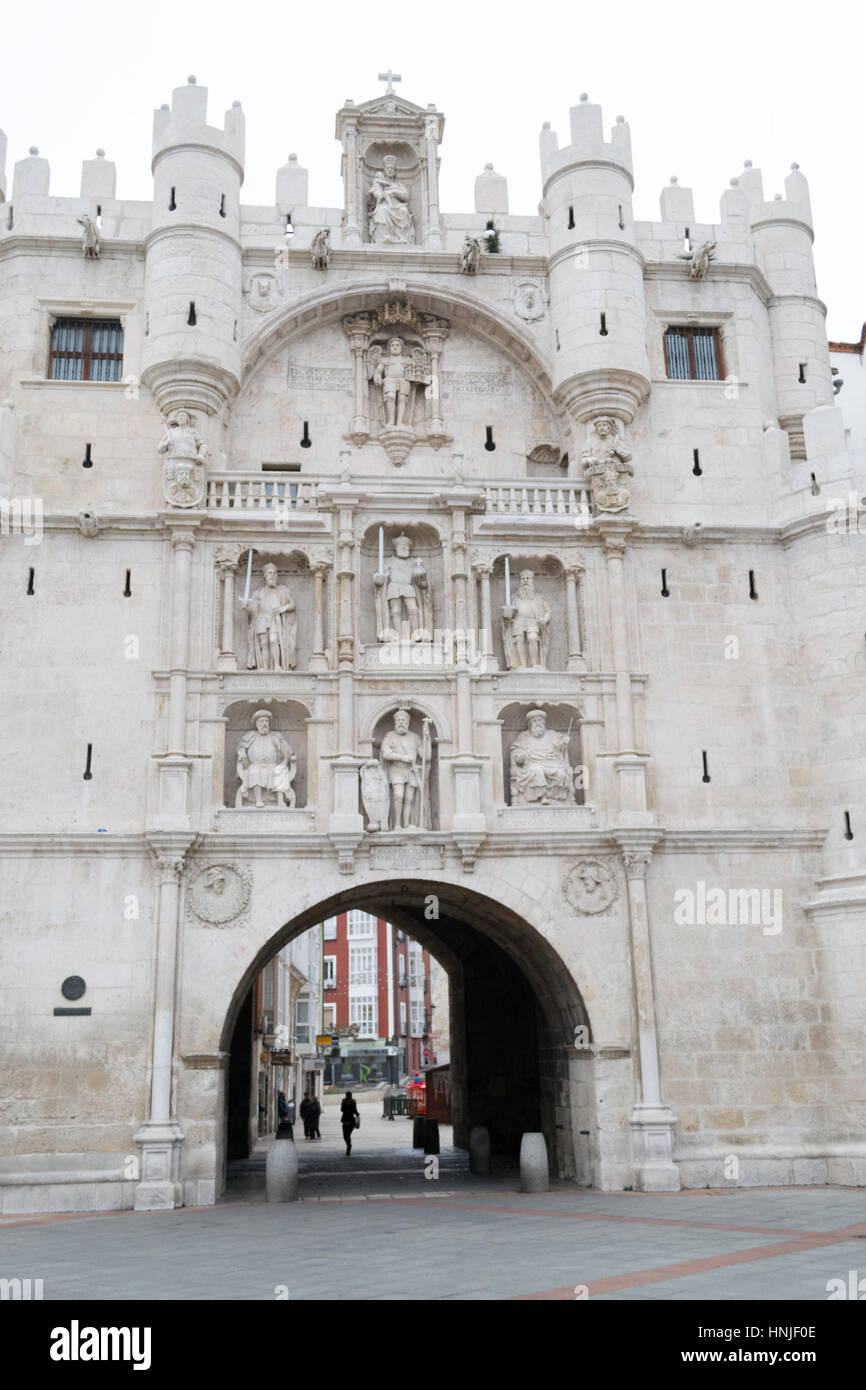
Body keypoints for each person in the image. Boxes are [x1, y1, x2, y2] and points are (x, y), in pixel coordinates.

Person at [341, 1090, 359, 1156]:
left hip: (351, 1120)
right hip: (345, 1119)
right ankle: (349, 1145)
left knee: (347, 1135)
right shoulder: (344, 1101)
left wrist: (357, 1114)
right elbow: (341, 1109)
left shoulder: (353, 1101)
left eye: (349, 1095)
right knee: (345, 1136)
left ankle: (348, 1147)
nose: (348, 1096)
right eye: (348, 1095)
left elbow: (355, 1110)